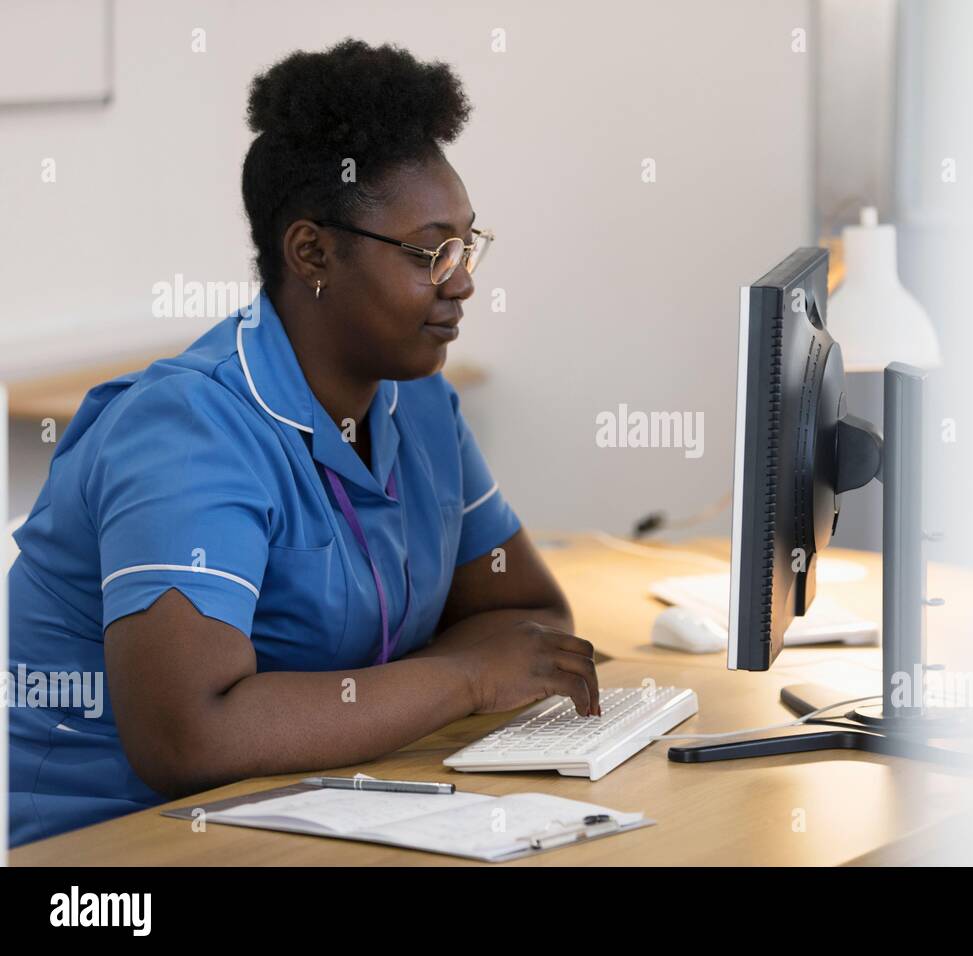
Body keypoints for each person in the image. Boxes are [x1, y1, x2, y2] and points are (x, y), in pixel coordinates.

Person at [7, 39, 599, 847]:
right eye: (431, 252)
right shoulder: (189, 429)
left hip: (307, 817)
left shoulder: (417, 401)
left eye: (468, 244)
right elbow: (191, 738)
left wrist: (430, 688)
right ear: (312, 253)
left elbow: (527, 618)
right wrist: (460, 679)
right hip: (108, 848)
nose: (461, 280)